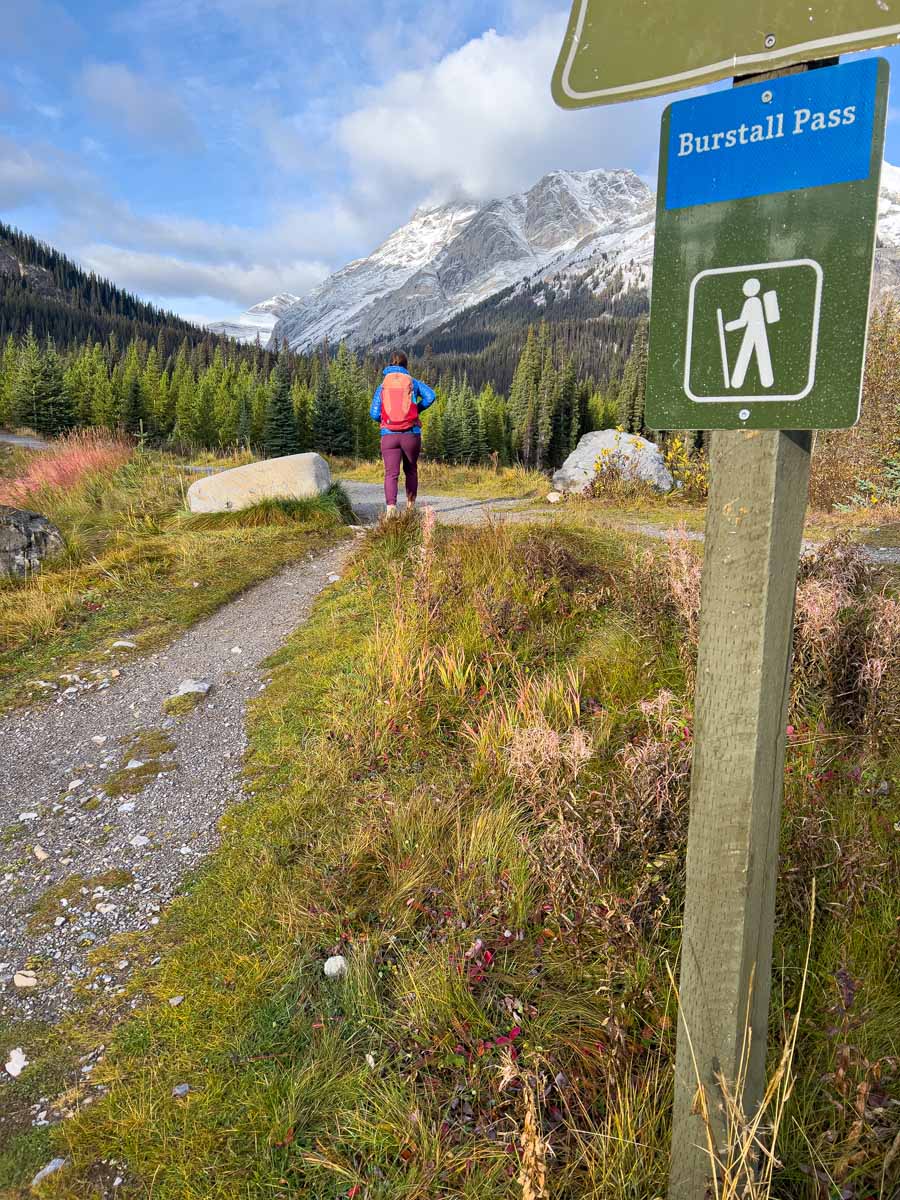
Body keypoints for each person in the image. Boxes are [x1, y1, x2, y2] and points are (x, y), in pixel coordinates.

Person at [370, 351, 436, 516]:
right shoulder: (412, 383)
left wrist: (386, 419)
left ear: (390, 365)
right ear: (406, 365)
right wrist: (416, 411)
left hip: (389, 435)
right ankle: (410, 508)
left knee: (391, 474)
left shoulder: (383, 385)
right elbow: (431, 396)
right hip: (411, 434)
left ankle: (391, 510)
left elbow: (374, 413)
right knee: (411, 470)